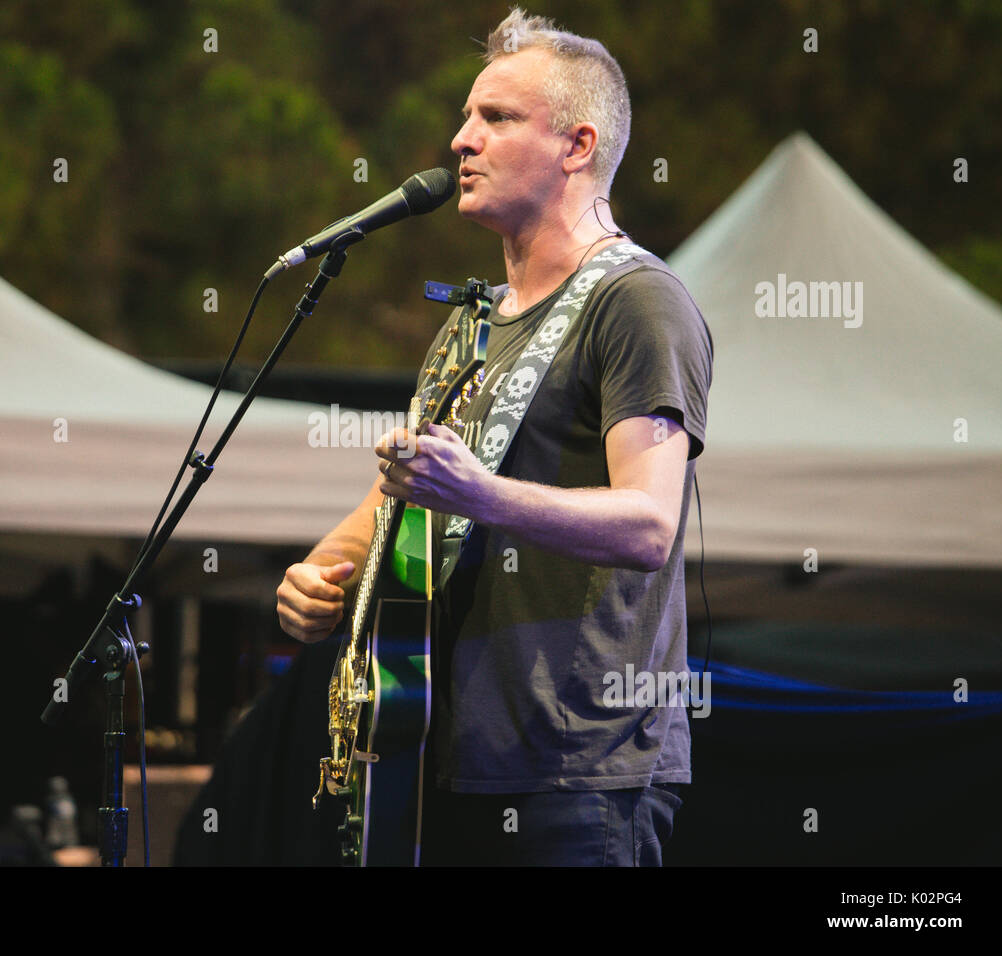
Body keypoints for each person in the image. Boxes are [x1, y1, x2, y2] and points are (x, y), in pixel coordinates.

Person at [276, 7, 712, 865]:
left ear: (577, 146)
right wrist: (318, 573)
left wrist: (480, 493)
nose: (459, 139)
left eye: (496, 118)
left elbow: (650, 525)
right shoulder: (470, 322)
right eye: (468, 115)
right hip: (438, 756)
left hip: (579, 774)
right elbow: (398, 500)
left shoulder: (637, 302)